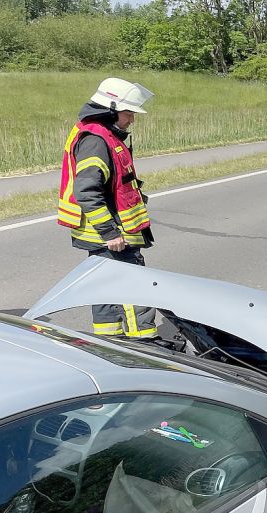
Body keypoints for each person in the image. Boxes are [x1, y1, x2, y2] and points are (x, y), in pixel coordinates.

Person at [57, 77, 158, 340]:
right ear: (111, 109)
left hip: (103, 232)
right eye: (129, 113)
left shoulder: (99, 133)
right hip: (112, 232)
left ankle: (109, 342)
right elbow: (87, 190)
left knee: (103, 287)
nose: (132, 119)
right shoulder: (96, 140)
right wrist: (110, 232)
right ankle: (145, 342)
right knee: (134, 286)